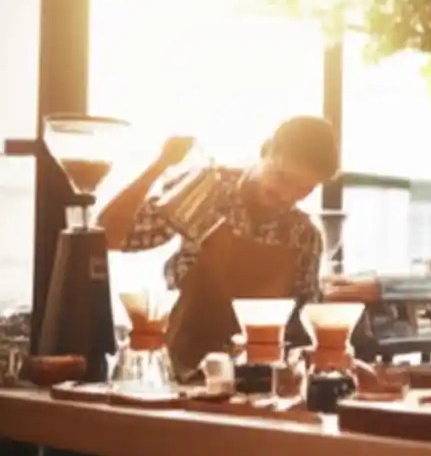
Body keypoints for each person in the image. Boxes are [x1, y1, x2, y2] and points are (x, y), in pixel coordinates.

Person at [98, 116, 338, 378]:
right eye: (282, 177)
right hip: (184, 370)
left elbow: (306, 322)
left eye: (305, 188)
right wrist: (159, 166)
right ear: (266, 150)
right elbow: (110, 236)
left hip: (260, 379)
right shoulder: (208, 190)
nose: (287, 195)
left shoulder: (305, 235)